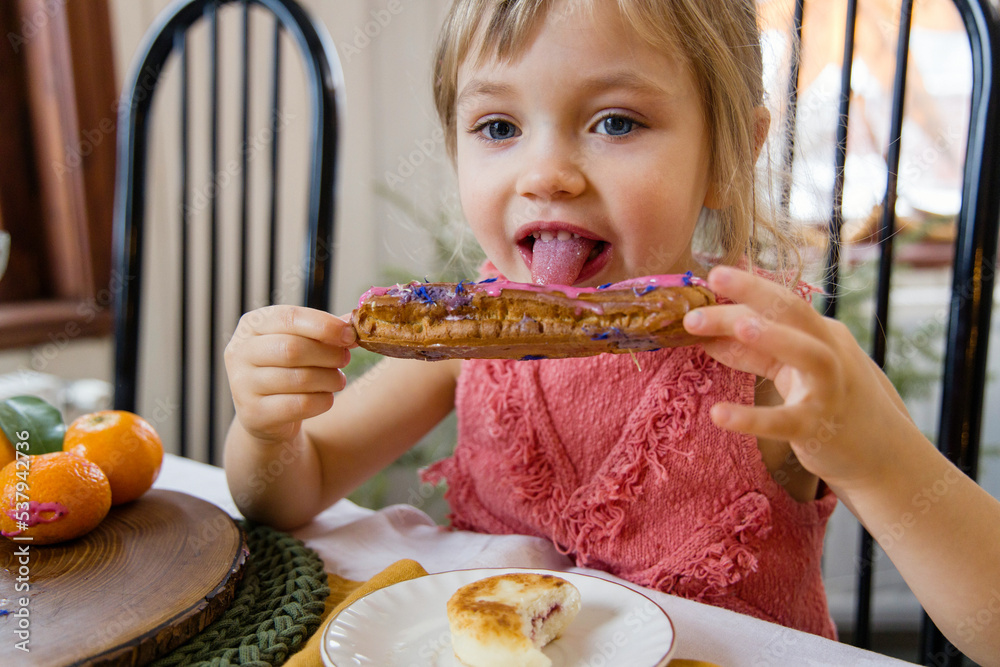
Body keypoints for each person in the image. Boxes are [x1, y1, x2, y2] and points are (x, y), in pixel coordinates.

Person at [223, 0, 1000, 662]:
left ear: (727, 155)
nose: (546, 173)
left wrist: (876, 456)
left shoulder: (775, 362)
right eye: (498, 125)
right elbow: (292, 491)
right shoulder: (462, 347)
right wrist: (266, 427)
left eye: (616, 122)